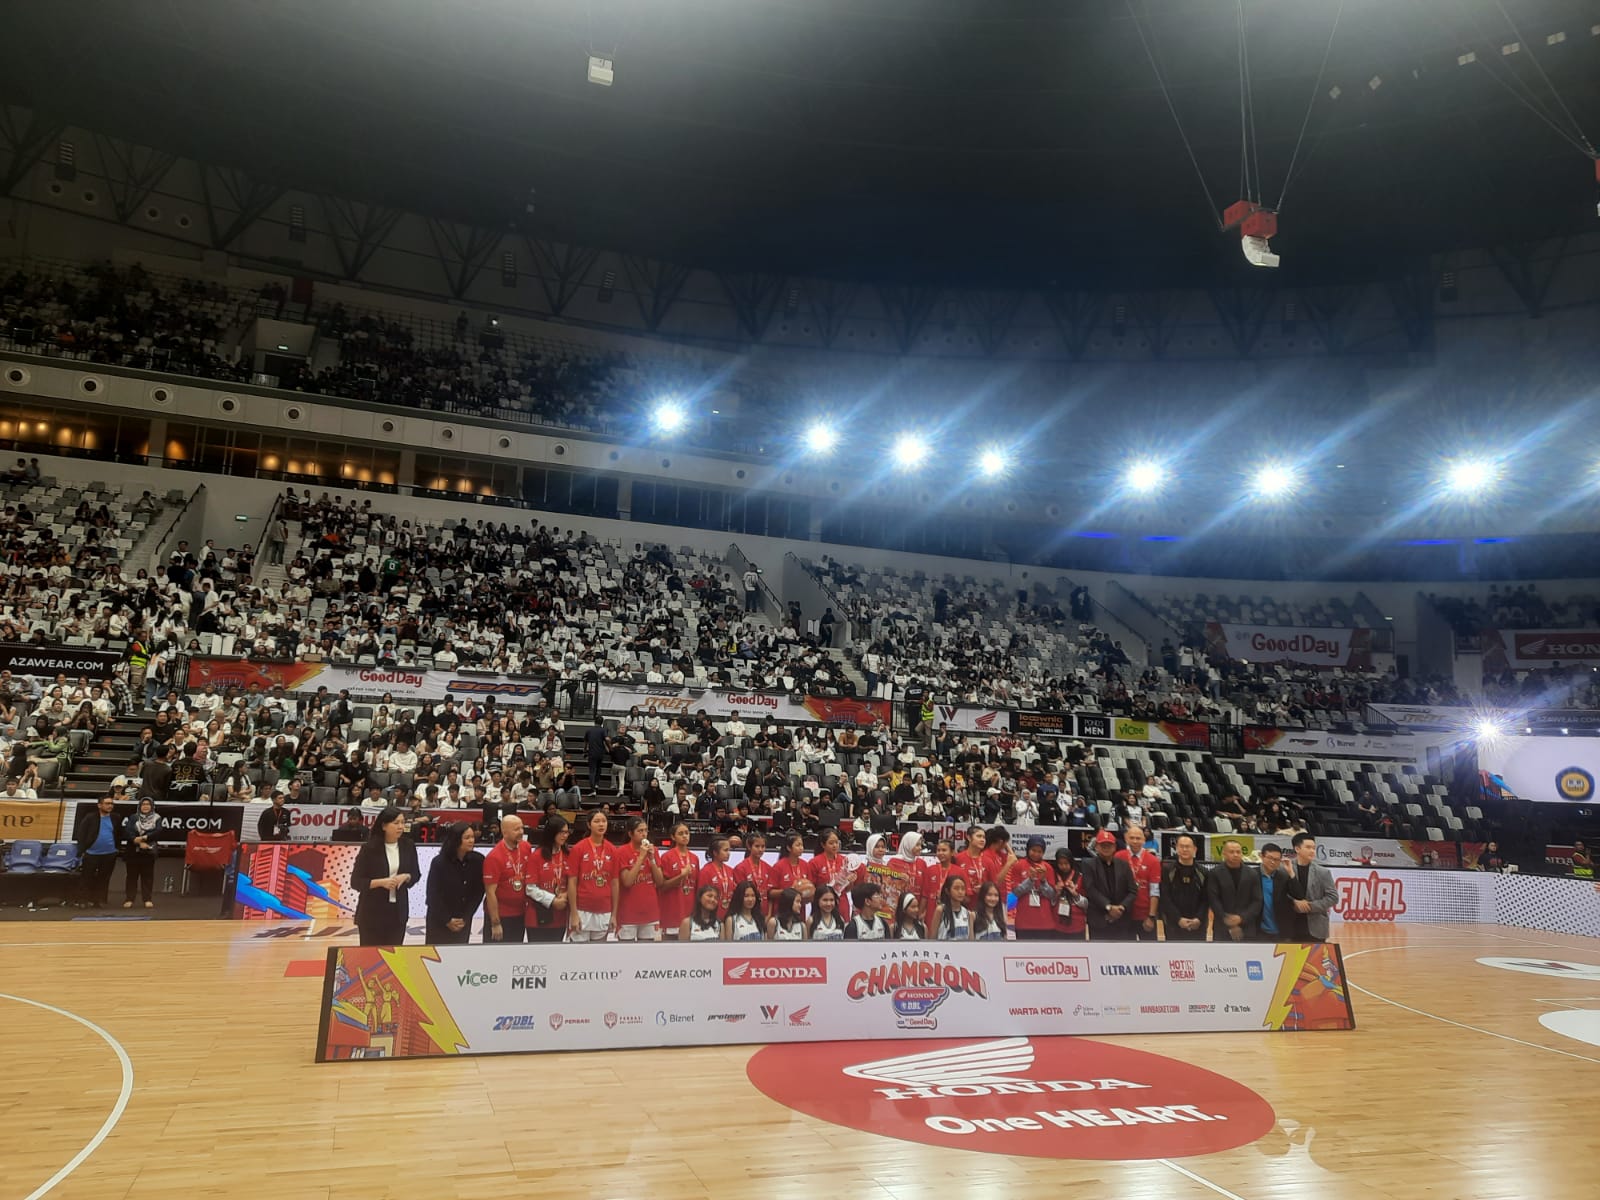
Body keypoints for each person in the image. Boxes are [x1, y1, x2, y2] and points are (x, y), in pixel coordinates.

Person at [350, 807, 421, 946]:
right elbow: (356, 882)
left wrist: (406, 877)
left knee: (394, 956)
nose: (400, 826)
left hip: (398, 913)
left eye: (402, 822)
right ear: (384, 825)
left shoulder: (408, 846)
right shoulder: (369, 849)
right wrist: (381, 882)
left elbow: (416, 874)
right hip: (372, 912)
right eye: (396, 823)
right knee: (370, 957)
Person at [482, 814, 538, 944]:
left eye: (522, 828)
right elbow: (490, 893)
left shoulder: (526, 847)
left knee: (515, 953)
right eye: (516, 829)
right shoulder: (494, 857)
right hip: (501, 916)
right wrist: (495, 923)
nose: (521, 832)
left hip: (520, 913)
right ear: (504, 832)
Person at [425, 822, 485, 944]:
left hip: (463, 920)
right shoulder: (439, 862)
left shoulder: (478, 860)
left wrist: (466, 916)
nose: (471, 841)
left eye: (472, 837)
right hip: (439, 919)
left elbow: (478, 892)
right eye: (467, 838)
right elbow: (433, 895)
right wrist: (447, 920)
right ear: (456, 839)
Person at [567, 810, 619, 942]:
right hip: (582, 909)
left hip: (604, 909)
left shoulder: (612, 850)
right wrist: (573, 913)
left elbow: (614, 883)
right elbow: (572, 882)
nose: (601, 824)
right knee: (579, 956)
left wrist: (614, 914)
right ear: (589, 825)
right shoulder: (578, 848)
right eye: (597, 821)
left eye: (604, 821)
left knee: (598, 956)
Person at [1080, 829, 1137, 940]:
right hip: (1099, 920)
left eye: (1109, 845)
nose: (1106, 848)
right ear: (1096, 847)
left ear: (1115, 847)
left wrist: (1121, 907)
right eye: (1103, 845)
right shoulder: (1088, 864)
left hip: (1122, 920)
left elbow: (1132, 890)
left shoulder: (1124, 865)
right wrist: (1108, 907)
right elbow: (1090, 889)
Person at [1283, 832, 1340, 940]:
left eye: (1314, 848)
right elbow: (1280, 893)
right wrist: (1294, 902)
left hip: (1316, 928)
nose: (1312, 851)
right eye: (1308, 847)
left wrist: (1309, 906)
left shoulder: (1323, 872)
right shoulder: (1285, 869)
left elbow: (1333, 897)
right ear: (1297, 849)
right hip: (1291, 926)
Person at [1205, 838, 1263, 943]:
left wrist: (1242, 918)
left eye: (1238, 852)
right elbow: (1213, 900)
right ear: (1224, 853)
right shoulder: (1214, 873)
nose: (1235, 855)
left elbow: (1257, 901)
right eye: (1231, 852)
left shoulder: (1252, 874)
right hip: (1222, 928)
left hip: (1247, 927)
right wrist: (1228, 920)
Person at [617, 816, 664, 941]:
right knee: (627, 954)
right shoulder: (622, 851)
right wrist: (641, 858)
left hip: (650, 911)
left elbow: (660, 882)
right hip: (628, 913)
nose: (644, 834)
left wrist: (652, 858)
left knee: (647, 955)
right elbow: (627, 882)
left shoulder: (654, 851)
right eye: (640, 831)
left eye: (646, 830)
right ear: (630, 833)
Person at [527, 815, 571, 942]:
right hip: (538, 916)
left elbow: (573, 882)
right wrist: (552, 900)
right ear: (551, 833)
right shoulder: (537, 856)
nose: (565, 836)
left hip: (560, 915)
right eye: (561, 832)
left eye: (567, 832)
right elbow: (530, 889)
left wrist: (566, 895)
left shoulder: (568, 854)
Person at [1005, 835, 1058, 940]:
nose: (1036, 854)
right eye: (1033, 850)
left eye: (1040, 851)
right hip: (1024, 922)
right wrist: (1030, 880)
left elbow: (1052, 895)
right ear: (1028, 849)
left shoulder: (1047, 868)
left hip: (1045, 922)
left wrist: (1043, 881)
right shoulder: (1019, 865)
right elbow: (1014, 894)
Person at [1116, 824, 1162, 940]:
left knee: (1149, 955)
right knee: (1124, 953)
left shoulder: (1153, 861)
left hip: (1145, 916)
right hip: (1123, 915)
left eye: (1138, 838)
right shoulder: (1118, 857)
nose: (1135, 841)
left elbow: (1154, 891)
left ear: (1144, 840)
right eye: (1132, 838)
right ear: (1126, 839)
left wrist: (1151, 916)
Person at [1160, 834, 1209, 941]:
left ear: (1195, 849)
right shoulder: (1167, 871)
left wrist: (1198, 919)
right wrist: (1178, 919)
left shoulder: (1203, 872)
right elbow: (1165, 898)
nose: (1185, 849)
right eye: (1181, 846)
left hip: (1198, 926)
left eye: (1188, 846)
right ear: (1176, 848)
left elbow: (1206, 900)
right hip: (1173, 925)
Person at [74, 795, 121, 908]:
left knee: (104, 878)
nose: (110, 806)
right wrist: (82, 850)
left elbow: (119, 834)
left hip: (110, 854)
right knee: (87, 877)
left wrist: (117, 848)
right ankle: (82, 900)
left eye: (111, 804)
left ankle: (98, 900)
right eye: (107, 803)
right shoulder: (90, 817)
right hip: (92, 853)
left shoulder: (116, 818)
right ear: (99, 805)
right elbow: (81, 834)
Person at [657, 822, 699, 940]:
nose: (685, 836)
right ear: (673, 837)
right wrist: (681, 876)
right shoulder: (667, 857)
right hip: (672, 911)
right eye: (680, 833)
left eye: (687, 833)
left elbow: (696, 887)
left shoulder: (694, 858)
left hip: (690, 912)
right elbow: (662, 887)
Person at [121, 796, 163, 909]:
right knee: (131, 876)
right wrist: (138, 842)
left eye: (148, 804)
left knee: (147, 876)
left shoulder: (157, 818)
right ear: (139, 806)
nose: (145, 806)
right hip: (133, 851)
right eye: (143, 804)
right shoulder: (133, 817)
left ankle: (147, 899)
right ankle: (129, 899)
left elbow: (158, 831)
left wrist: (144, 838)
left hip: (148, 851)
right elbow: (128, 832)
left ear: (152, 806)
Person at [807, 828, 853, 921]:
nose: (835, 845)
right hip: (822, 904)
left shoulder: (844, 860)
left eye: (836, 842)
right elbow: (811, 888)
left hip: (841, 902)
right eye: (831, 843)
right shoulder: (814, 862)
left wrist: (851, 882)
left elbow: (847, 889)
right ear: (823, 845)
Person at [733, 829, 773, 918]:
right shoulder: (740, 868)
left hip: (765, 913)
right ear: (749, 846)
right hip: (747, 914)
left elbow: (770, 895)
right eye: (757, 846)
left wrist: (769, 914)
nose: (760, 849)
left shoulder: (768, 868)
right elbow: (739, 896)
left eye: (763, 846)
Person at [1051, 848, 1089, 939]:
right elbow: (1049, 903)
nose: (1063, 866)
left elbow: (1086, 904)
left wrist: (1075, 894)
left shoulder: (1080, 877)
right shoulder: (1053, 877)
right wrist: (1056, 893)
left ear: (1071, 862)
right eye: (1060, 864)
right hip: (1057, 925)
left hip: (1077, 925)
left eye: (1066, 863)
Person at [697, 835, 737, 920]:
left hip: (729, 914)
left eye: (729, 850)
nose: (728, 853)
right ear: (715, 852)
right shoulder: (705, 871)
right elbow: (701, 897)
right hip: (712, 916)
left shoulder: (730, 870)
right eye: (725, 850)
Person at [1257, 843, 1290, 940]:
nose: (1273, 862)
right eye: (1270, 858)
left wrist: (1291, 872)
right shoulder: (1252, 875)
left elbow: (1298, 895)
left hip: (1280, 930)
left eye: (1276, 860)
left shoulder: (1284, 877)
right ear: (1262, 857)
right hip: (1258, 931)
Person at [932, 875, 971, 939]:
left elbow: (970, 940)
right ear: (947, 891)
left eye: (963, 889)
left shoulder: (967, 913)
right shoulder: (940, 910)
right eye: (956, 888)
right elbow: (932, 938)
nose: (960, 892)